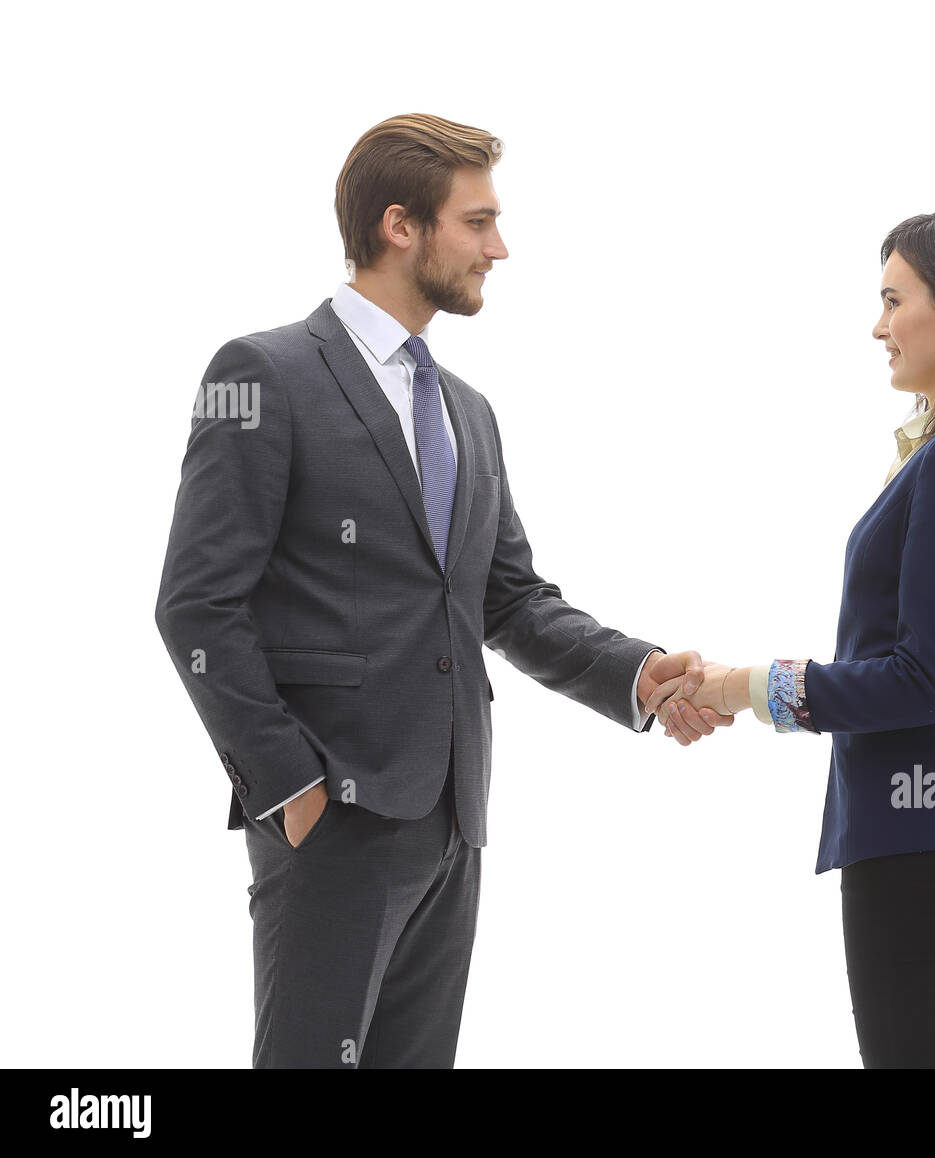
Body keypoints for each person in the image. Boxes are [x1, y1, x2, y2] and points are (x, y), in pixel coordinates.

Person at [154, 112, 731, 1068]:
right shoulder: (264, 374)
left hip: (453, 821)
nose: (499, 248)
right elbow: (195, 602)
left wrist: (638, 674)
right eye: (478, 222)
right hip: (329, 817)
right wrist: (289, 783)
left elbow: (506, 600)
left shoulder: (470, 411)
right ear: (400, 226)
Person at [648, 210, 935, 1068]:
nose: (877, 326)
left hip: (921, 821)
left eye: (892, 300)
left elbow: (922, 679)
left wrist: (743, 685)